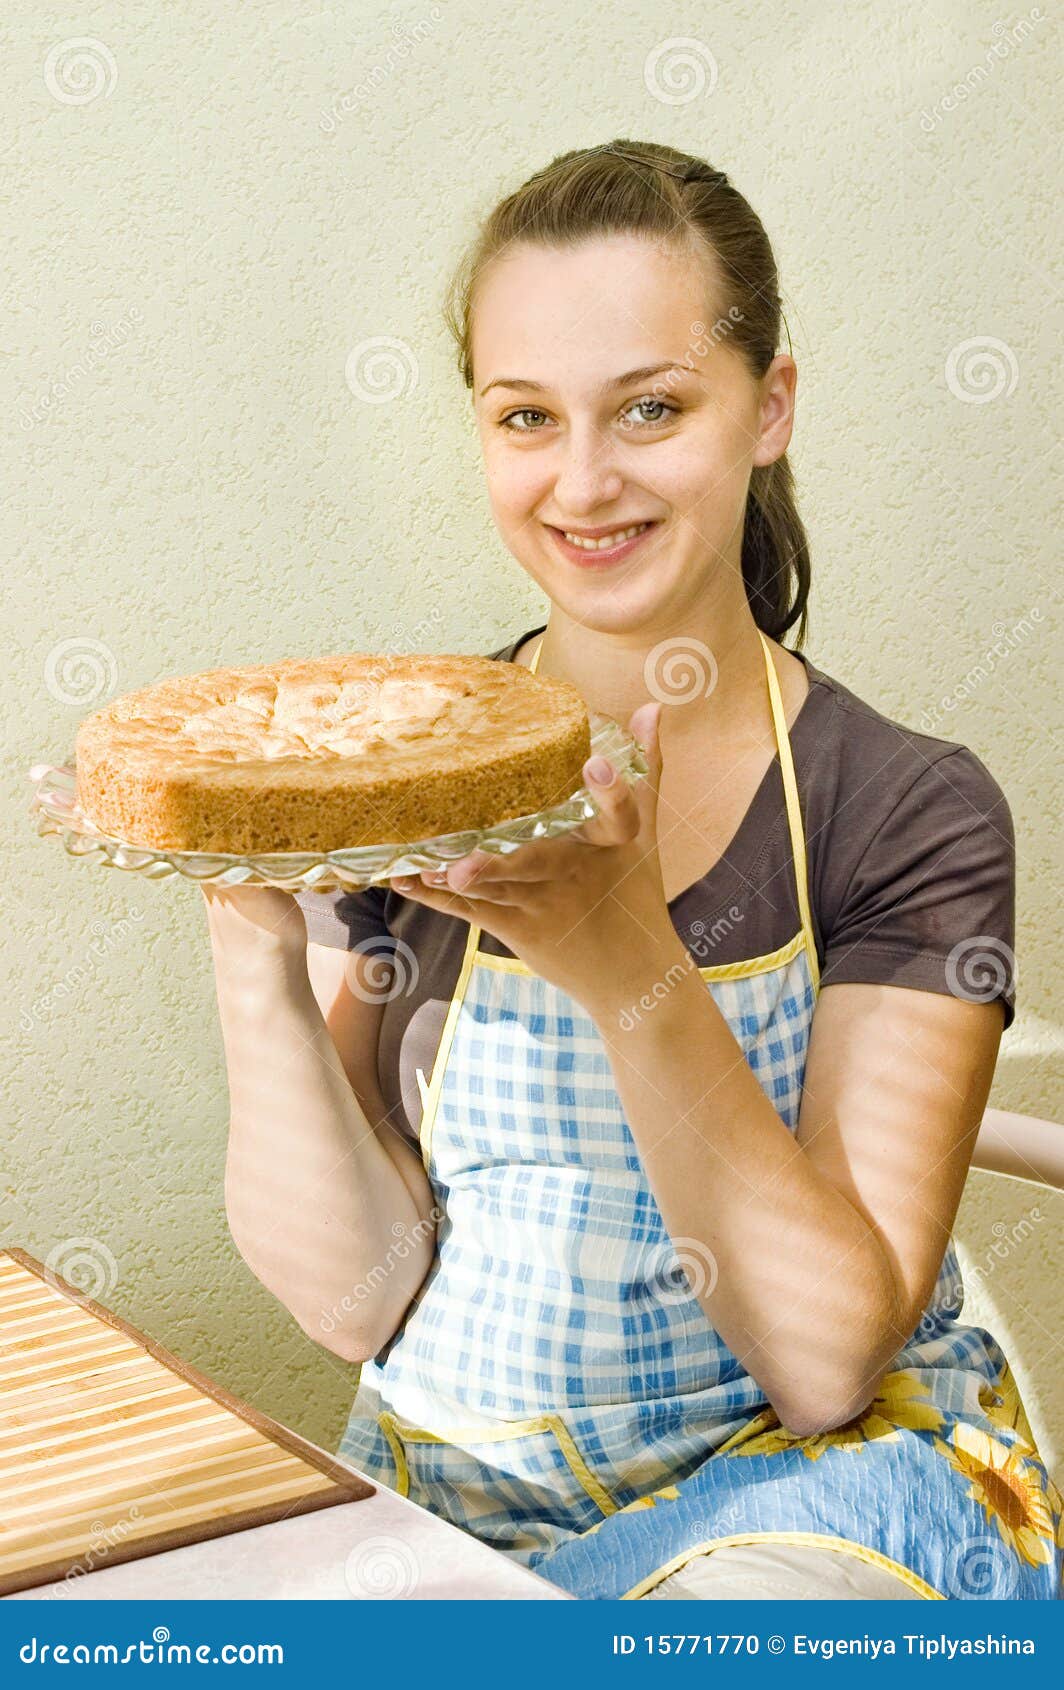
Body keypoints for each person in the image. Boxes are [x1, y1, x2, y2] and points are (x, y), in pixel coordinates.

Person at [202, 140, 1062, 1601]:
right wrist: (252, 956)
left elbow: (824, 1355)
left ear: (769, 407)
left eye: (651, 408)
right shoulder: (406, 771)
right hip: (460, 1498)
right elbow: (359, 1300)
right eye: (526, 416)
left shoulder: (907, 809)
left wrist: (628, 964)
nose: (583, 481)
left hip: (812, 1497)